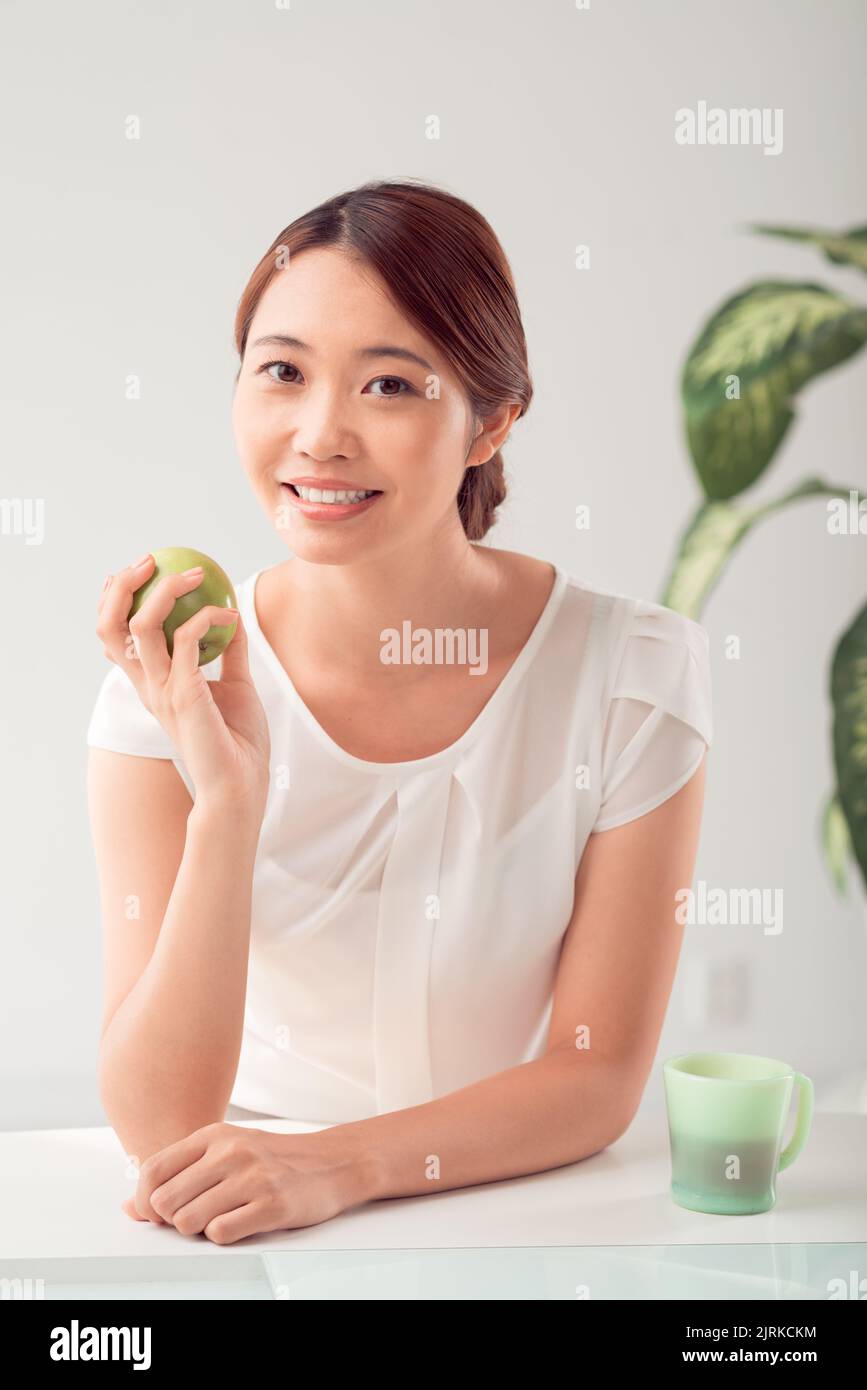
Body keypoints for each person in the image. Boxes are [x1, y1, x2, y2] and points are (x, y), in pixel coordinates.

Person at [86, 178, 713, 1245]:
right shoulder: (170, 680)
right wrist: (228, 803)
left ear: (490, 421)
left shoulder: (631, 674)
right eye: (282, 372)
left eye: (388, 384)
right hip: (243, 1223)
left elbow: (597, 1074)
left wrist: (341, 1165)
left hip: (509, 1211)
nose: (320, 435)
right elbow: (161, 1129)